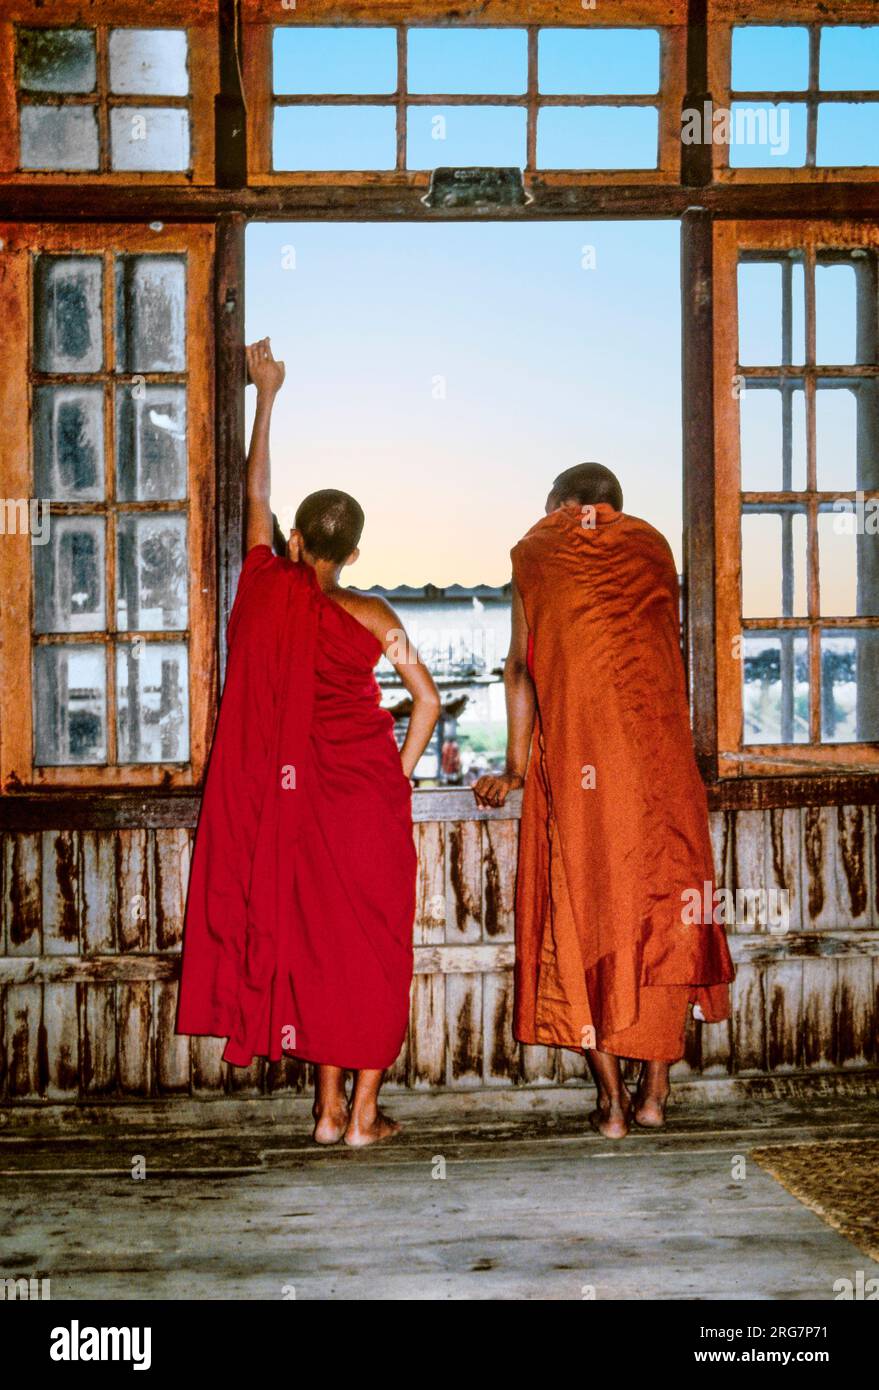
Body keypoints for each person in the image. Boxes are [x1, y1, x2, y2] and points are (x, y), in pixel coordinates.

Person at [178, 339, 440, 1147]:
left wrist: (267, 395)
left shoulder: (263, 586)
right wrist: (392, 777)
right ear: (354, 553)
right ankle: (361, 1114)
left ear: (295, 539)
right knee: (372, 951)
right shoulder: (377, 618)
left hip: (299, 812)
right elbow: (425, 704)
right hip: (364, 803)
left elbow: (252, 492)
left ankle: (327, 1115)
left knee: (323, 954)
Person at [473, 463, 734, 1139]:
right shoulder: (651, 546)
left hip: (578, 768)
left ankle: (612, 1107)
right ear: (613, 506)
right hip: (662, 774)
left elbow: (520, 665)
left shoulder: (536, 551)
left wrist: (511, 766)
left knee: (579, 918)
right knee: (669, 917)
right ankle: (653, 1095)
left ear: (560, 504)